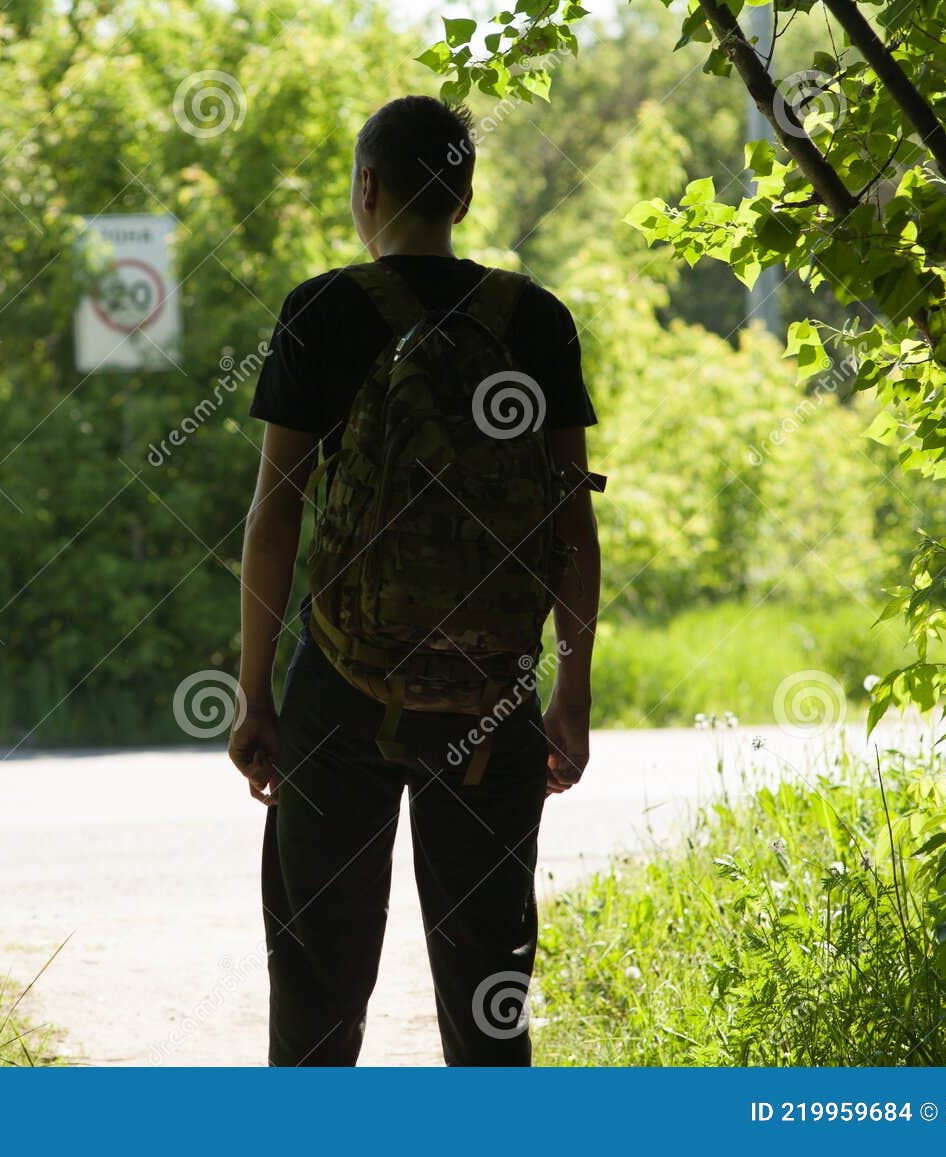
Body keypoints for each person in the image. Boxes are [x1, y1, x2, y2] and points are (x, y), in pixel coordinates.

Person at [228, 95, 601, 1067]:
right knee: (488, 984)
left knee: (317, 976)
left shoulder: (322, 312)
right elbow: (572, 523)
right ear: (464, 196)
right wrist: (573, 690)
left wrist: (254, 692)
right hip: (490, 701)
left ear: (367, 188)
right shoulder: (537, 321)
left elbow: (273, 517)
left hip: (341, 691)